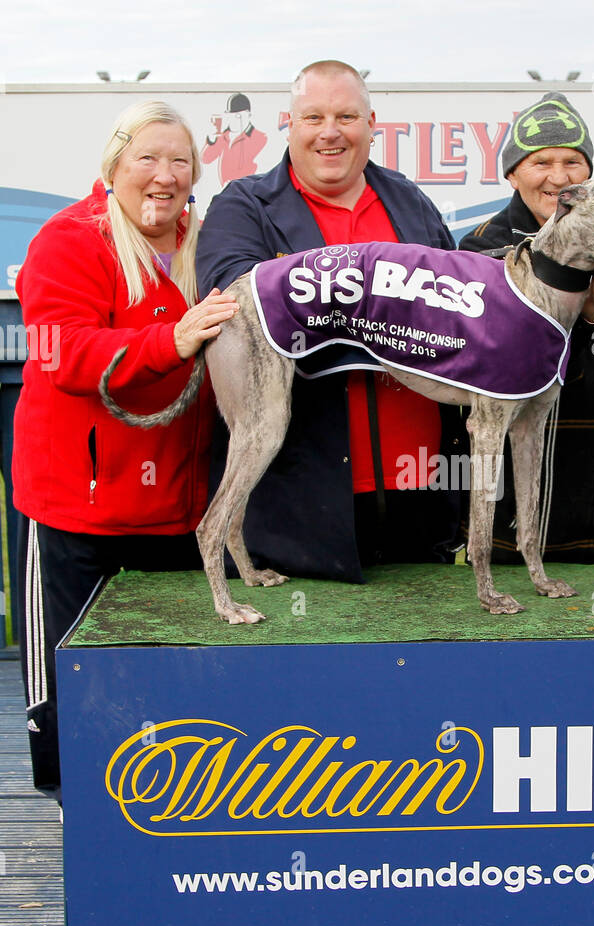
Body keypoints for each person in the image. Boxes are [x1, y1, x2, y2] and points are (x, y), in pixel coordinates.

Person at [12, 101, 240, 803]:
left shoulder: (210, 241)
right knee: (69, 677)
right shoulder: (68, 239)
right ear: (113, 165)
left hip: (180, 505)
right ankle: (71, 808)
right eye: (147, 158)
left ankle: (169, 804)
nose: (164, 176)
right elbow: (64, 353)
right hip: (80, 509)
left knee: (171, 677)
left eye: (179, 161)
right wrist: (169, 340)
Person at [196, 60, 466, 584]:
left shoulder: (410, 200)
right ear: (289, 123)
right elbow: (241, 303)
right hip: (298, 510)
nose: (330, 132)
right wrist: (383, 297)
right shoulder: (243, 205)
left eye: (345, 116)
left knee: (423, 655)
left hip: (421, 497)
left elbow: (458, 304)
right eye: (313, 116)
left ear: (370, 123)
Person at [460, 92, 594, 565]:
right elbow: (491, 369)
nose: (558, 175)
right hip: (512, 485)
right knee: (507, 631)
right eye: (540, 162)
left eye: (573, 160)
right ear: (511, 173)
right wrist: (585, 312)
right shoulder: (481, 249)